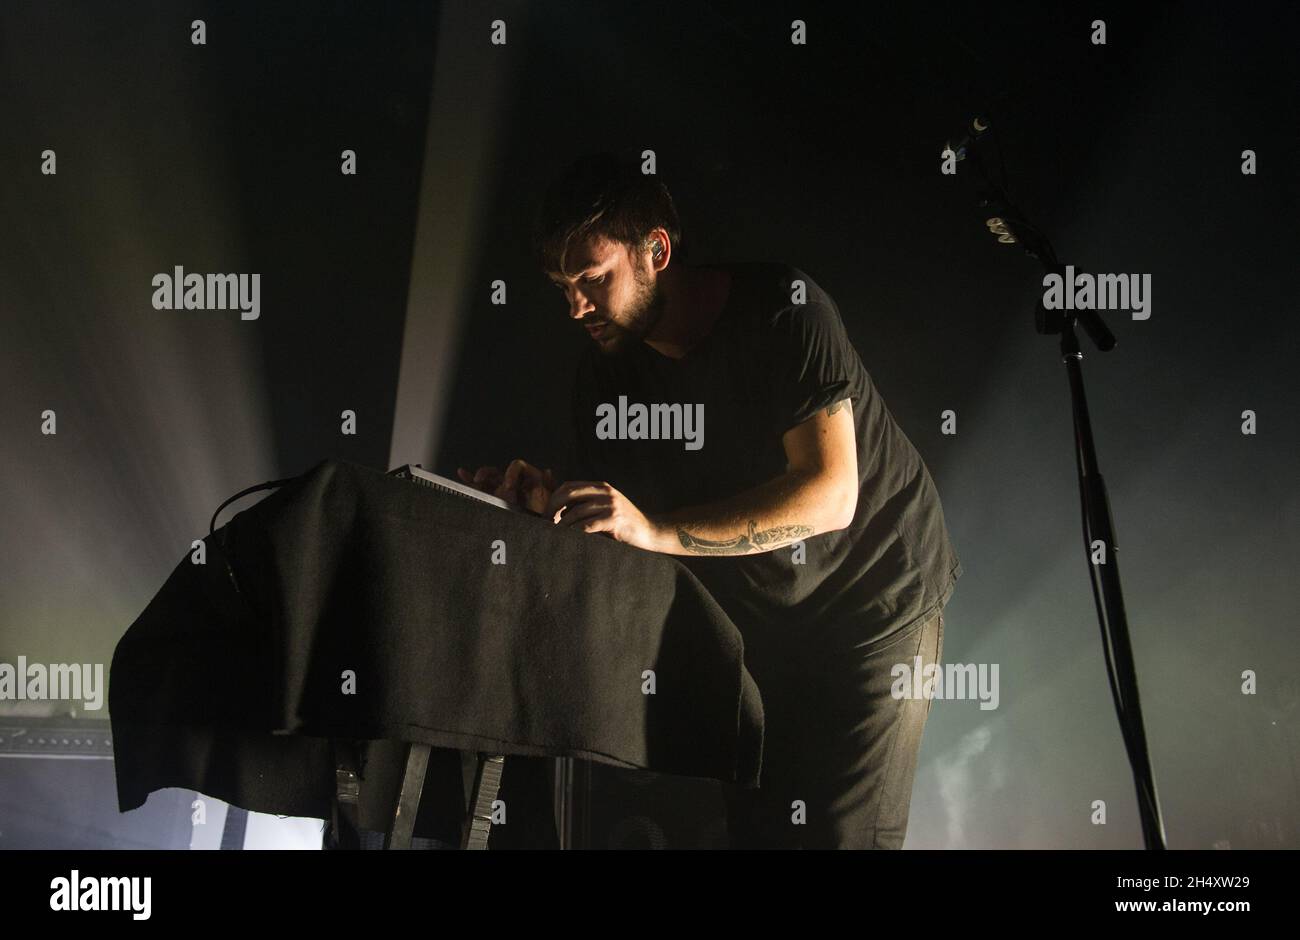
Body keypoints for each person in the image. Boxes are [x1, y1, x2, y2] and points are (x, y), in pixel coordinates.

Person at [459, 151, 961, 848]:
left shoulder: (785, 310)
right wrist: (545, 504)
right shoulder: (606, 376)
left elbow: (830, 495)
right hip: (762, 629)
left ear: (656, 250)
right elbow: (622, 527)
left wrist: (659, 530)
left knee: (841, 838)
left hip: (872, 605)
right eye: (562, 286)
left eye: (592, 278)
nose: (575, 306)